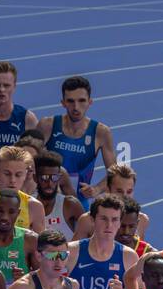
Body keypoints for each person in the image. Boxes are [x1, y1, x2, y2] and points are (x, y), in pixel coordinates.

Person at [39, 76, 117, 211]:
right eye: (70, 101)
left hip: (79, 204)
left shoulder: (100, 132)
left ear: (90, 102)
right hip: (47, 202)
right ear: (63, 103)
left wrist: (97, 189)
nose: (76, 107)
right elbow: (28, 159)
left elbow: (114, 173)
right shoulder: (48, 125)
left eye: (81, 101)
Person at [71, 164, 151, 241]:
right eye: (119, 191)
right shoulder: (88, 221)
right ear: (108, 190)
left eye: (129, 191)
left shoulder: (142, 220)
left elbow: (140, 252)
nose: (125, 196)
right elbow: (70, 252)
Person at [0, 62, 39, 149]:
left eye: (6, 85)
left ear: (14, 86)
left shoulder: (27, 118)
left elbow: (38, 153)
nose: (1, 90)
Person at [34, 151, 82, 239]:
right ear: (35, 178)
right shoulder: (27, 204)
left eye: (54, 177)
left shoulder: (71, 204)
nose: (50, 183)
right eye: (45, 177)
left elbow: (90, 232)